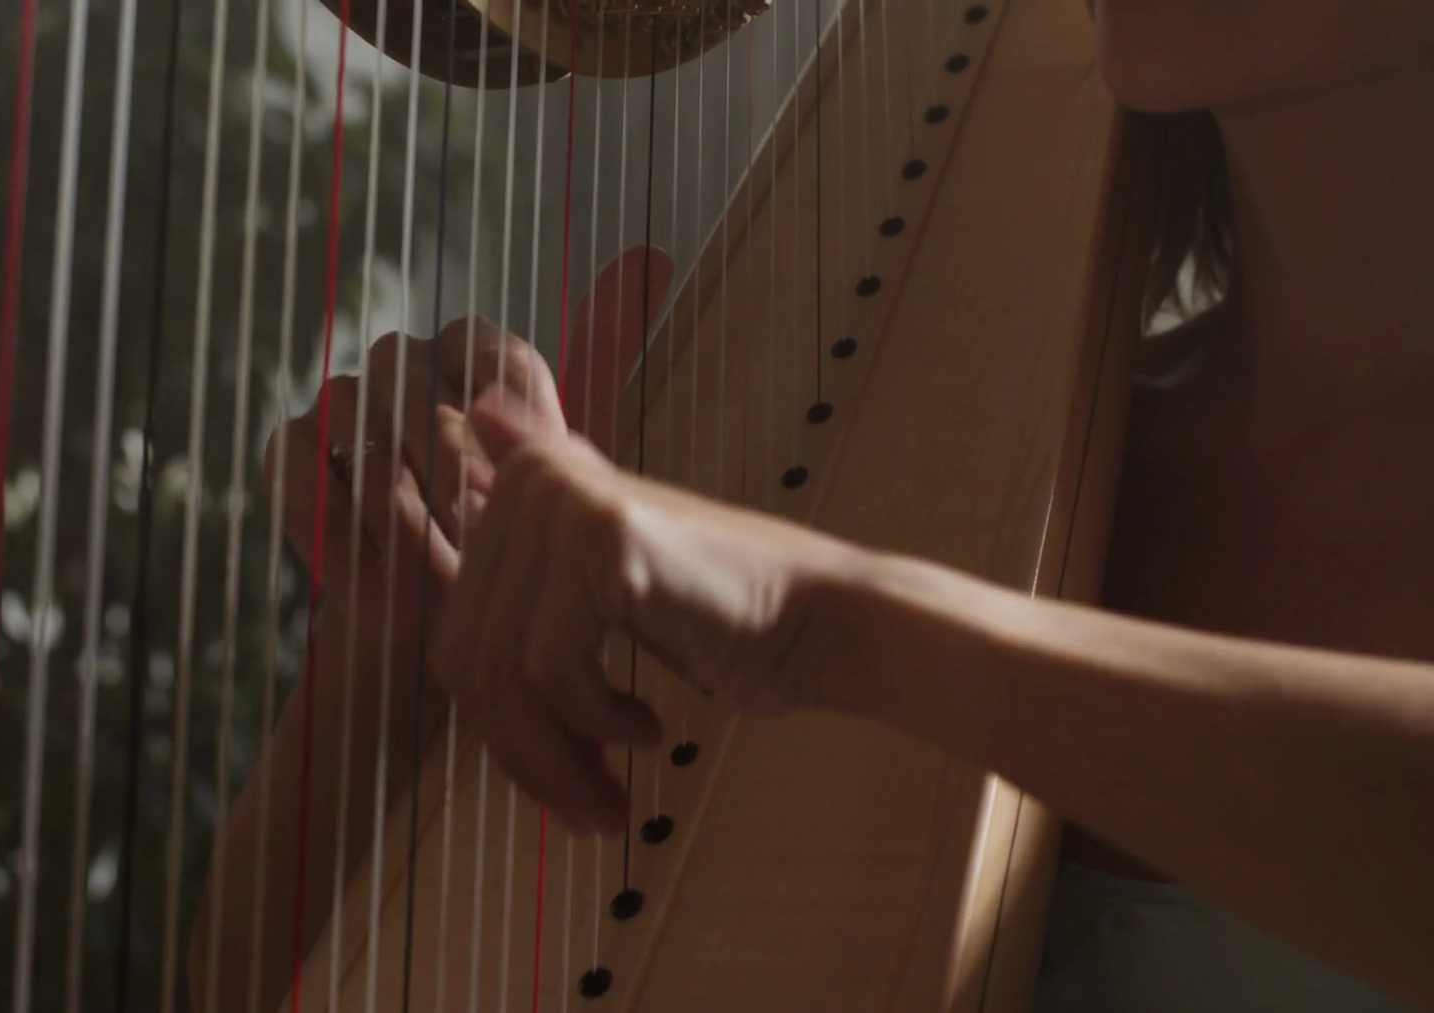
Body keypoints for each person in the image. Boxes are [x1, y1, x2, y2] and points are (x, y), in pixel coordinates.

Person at [191, 1, 1434, 1009]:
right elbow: (248, 988)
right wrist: (428, 600)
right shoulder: (993, 433)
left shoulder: (840, 589)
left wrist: (836, 619)